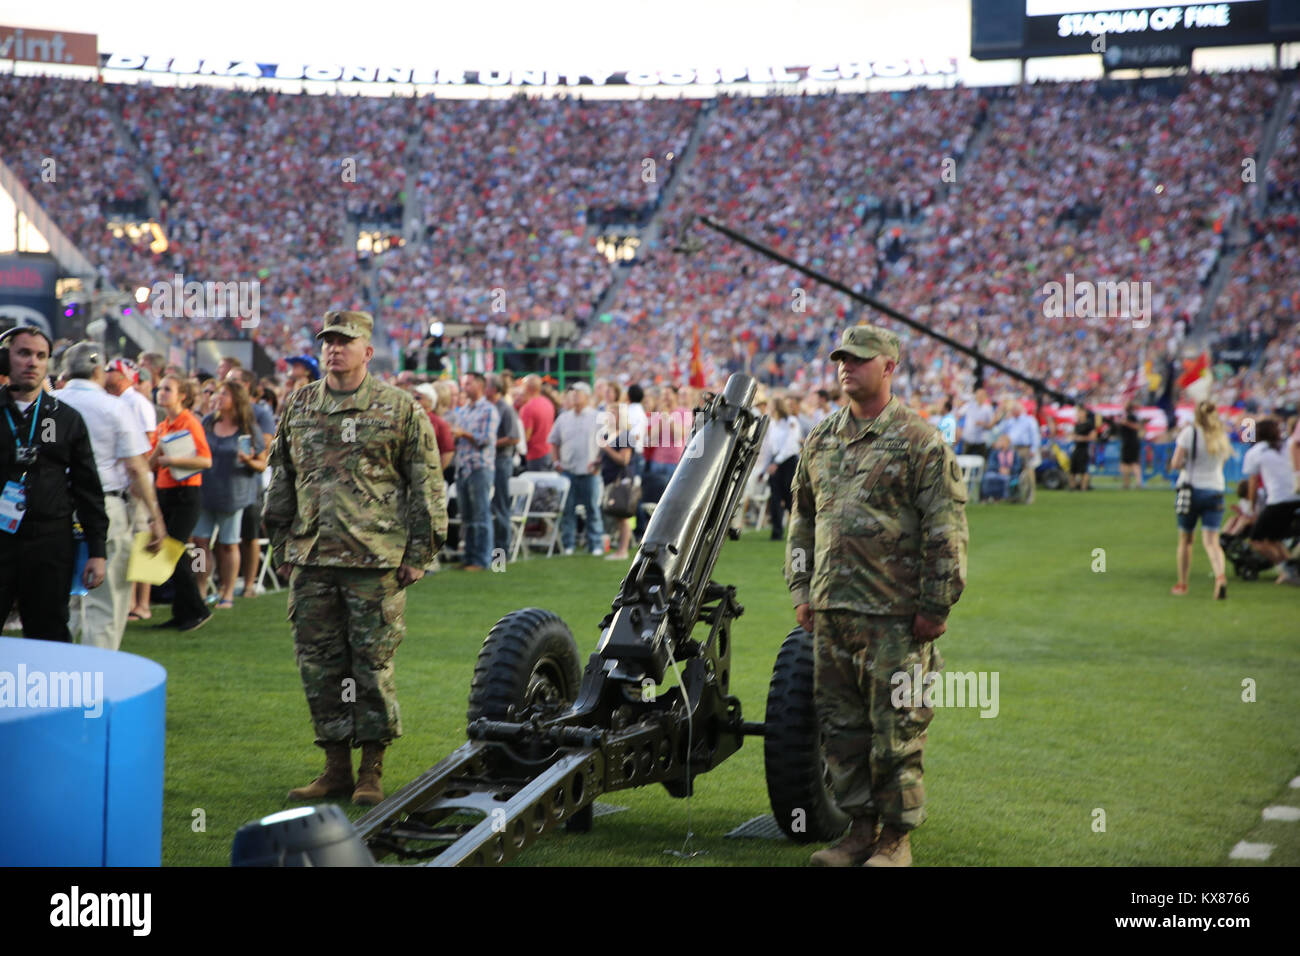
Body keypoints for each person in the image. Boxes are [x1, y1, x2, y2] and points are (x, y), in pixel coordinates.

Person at [786, 324, 968, 868]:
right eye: (842, 358)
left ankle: (895, 840)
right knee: (841, 730)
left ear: (889, 367)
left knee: (896, 730)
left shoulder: (919, 440)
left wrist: (936, 604)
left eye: (860, 359)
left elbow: (946, 528)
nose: (847, 367)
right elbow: (802, 519)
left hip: (894, 616)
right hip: (832, 612)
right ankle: (859, 832)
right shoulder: (821, 437)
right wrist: (801, 587)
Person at [266, 310, 446, 806]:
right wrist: (282, 544)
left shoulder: (399, 408)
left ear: (368, 351)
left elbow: (426, 484)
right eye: (327, 340)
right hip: (313, 559)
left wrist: (420, 552)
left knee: (370, 666)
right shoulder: (300, 403)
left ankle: (371, 769)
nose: (333, 348)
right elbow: (282, 476)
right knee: (319, 666)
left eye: (344, 341)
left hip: (374, 560)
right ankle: (335, 768)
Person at [0, 328, 109, 642]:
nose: (32, 362)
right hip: (1, 539)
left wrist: (97, 551)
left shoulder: (64, 418)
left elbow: (88, 488)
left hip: (49, 543)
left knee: (48, 634)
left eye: (40, 355)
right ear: (5, 358)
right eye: (23, 353)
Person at [56, 342, 166, 650]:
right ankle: (97, 675)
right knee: (106, 600)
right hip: (107, 505)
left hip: (55, 505)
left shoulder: (50, 403)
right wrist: (154, 518)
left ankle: (55, 669)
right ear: (98, 371)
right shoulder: (115, 407)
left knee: (59, 599)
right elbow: (136, 467)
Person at [195, 380, 269, 608]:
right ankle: (199, 589)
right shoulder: (208, 422)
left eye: (224, 394)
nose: (218, 397)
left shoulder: (248, 429)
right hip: (205, 492)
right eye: (218, 393)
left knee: (229, 544)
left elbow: (262, 464)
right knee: (199, 544)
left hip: (233, 495)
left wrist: (248, 460)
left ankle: (227, 592)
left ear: (236, 399)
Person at [149, 374, 214, 631]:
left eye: (168, 389)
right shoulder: (163, 425)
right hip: (164, 492)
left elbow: (205, 461)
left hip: (186, 493)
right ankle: (182, 612)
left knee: (173, 551)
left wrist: (171, 460)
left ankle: (198, 610)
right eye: (160, 388)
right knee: (170, 553)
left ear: (182, 396)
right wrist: (158, 452)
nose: (161, 392)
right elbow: (150, 464)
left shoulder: (189, 422)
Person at [1169, 400, 1232, 599]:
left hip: (1191, 490)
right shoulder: (1220, 435)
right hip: (1215, 490)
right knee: (1212, 541)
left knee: (1186, 539)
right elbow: (1222, 462)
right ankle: (1220, 577)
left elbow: (1176, 462)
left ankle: (1182, 584)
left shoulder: (1189, 433)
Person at [448, 372, 499, 571]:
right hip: (463, 467)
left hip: (480, 467)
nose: (465, 387)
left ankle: (482, 559)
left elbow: (486, 440)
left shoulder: (489, 410)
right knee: (467, 517)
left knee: (481, 515)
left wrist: (463, 434)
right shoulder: (462, 411)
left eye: (468, 383)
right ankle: (469, 557)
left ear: (479, 385)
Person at [1242, 418, 1300, 586]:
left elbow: (1253, 483)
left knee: (1257, 540)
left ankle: (1286, 568)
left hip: (1278, 500)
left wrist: (1251, 508)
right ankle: (1290, 567)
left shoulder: (1256, 452)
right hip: (1296, 496)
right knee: (1273, 539)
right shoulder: (1288, 445)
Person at [549, 381, 604, 555]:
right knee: (567, 509)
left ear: (587, 396)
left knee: (592, 509)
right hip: (568, 470)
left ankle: (595, 543)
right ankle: (568, 544)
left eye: (578, 393)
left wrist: (599, 462)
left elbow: (606, 443)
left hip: (590, 471)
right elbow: (554, 441)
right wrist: (556, 462)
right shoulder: (563, 418)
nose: (574, 397)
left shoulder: (597, 417)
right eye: (572, 394)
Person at [485, 374, 521, 563]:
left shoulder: (505, 409)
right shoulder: (486, 407)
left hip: (501, 461)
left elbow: (514, 437)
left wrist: (490, 443)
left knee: (500, 506)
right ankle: (488, 551)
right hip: (489, 460)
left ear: (494, 389)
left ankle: (500, 554)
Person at [758, 394, 802, 539]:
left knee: (789, 497)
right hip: (775, 462)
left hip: (788, 462)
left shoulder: (791, 421)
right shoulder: (771, 424)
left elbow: (790, 444)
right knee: (775, 498)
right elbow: (768, 448)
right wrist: (764, 469)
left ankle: (800, 528)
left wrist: (776, 462)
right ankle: (777, 532)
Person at [518, 374, 555, 470]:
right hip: (548, 451)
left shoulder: (528, 407)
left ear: (527, 387)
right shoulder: (548, 403)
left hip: (535, 455)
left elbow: (525, 436)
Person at [1117, 400, 1144, 490]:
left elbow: (1138, 426)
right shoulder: (1124, 416)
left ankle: (1137, 483)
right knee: (1126, 463)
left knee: (1133, 463)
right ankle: (1127, 483)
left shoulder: (1131, 416)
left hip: (1131, 442)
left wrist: (1126, 423)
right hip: (1126, 442)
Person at [1069, 406, 1096, 491]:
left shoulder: (1089, 424)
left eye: (1080, 412)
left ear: (1084, 413)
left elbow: (1093, 437)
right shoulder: (1077, 424)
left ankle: (1083, 487)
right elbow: (1073, 435)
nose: (1078, 414)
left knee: (1083, 470)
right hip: (1076, 448)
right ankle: (1073, 487)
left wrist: (1081, 438)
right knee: (1072, 469)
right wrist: (1073, 437)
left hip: (1084, 449)